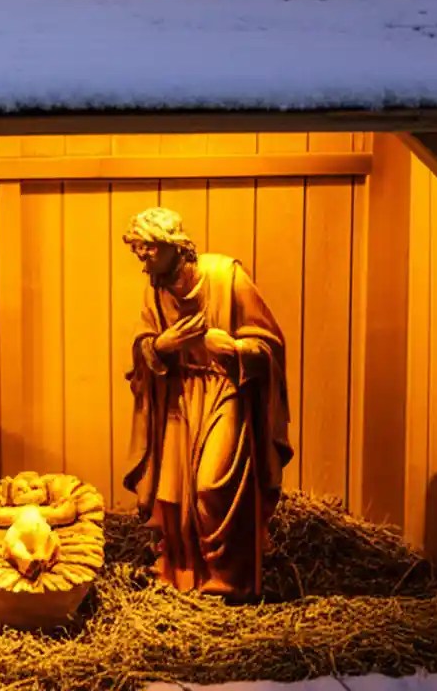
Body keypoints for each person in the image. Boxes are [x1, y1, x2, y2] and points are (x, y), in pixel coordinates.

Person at [120, 206, 294, 601]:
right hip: (179, 397)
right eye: (138, 251)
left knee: (211, 484)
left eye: (147, 248)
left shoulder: (226, 277)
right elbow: (143, 346)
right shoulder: (157, 288)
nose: (142, 258)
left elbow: (270, 344)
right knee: (175, 495)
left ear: (173, 245)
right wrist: (160, 348)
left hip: (224, 390)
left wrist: (232, 348)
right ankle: (185, 570)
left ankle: (227, 578)